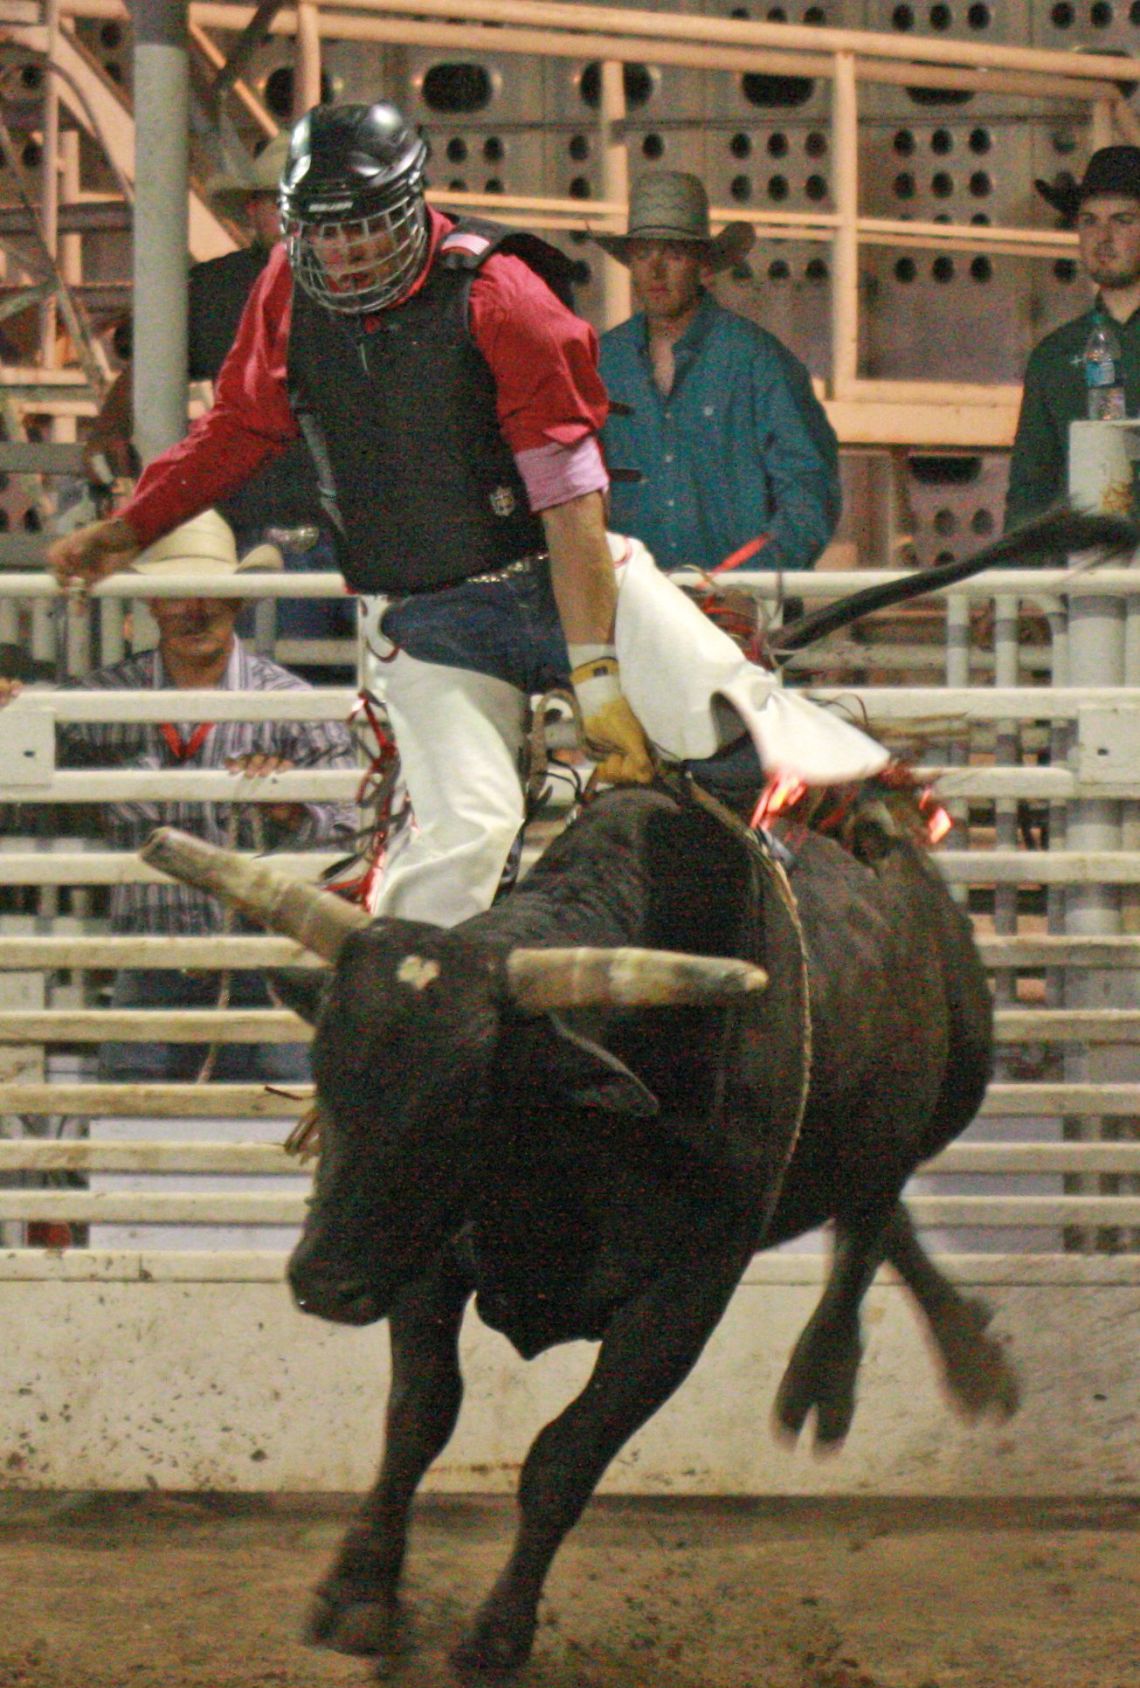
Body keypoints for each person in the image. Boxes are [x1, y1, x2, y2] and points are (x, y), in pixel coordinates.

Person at [48, 101, 887, 931]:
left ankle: (867, 825)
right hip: (432, 609)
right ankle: (410, 1007)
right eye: (320, 231)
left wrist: (594, 674)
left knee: (726, 715)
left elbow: (568, 499)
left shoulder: (501, 294)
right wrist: (130, 527)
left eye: (361, 229)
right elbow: (239, 426)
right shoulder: (284, 290)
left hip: (556, 573)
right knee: (461, 837)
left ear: (410, 211)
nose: (339, 254)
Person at [2, 510, 358, 1081]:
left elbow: (349, 827)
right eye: (177, 596)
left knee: (255, 1131)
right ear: (152, 604)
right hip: (151, 959)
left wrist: (292, 806)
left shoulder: (291, 700)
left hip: (268, 964)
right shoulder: (101, 699)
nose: (195, 609)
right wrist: (12, 713)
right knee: (148, 1124)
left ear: (237, 601)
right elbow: (27, 772)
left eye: (212, 594)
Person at [83, 133, 355, 678]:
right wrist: (110, 426)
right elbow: (150, 368)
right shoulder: (218, 290)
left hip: (358, 533)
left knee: (339, 694)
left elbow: (150, 365)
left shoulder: (367, 284)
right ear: (254, 211)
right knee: (293, 693)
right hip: (279, 531)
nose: (289, 215)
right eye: (278, 201)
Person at [594, 171, 842, 576]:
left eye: (672, 254)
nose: (655, 270)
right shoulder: (603, 362)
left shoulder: (758, 362)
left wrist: (748, 585)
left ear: (703, 267)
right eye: (642, 255)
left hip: (732, 614)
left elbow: (809, 495)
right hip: (634, 607)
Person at [1006, 144, 1140, 529]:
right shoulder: (1054, 355)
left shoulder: (1057, 353)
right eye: (1089, 221)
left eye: (1123, 220)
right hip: (1087, 576)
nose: (1103, 236)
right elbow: (1029, 492)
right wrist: (1019, 585)